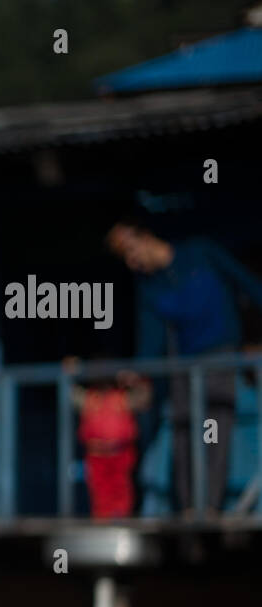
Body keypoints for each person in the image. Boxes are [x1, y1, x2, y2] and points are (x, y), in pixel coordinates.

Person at [106, 218, 262, 516]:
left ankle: (209, 506)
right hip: (182, 365)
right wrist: (138, 372)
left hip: (220, 355)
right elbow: (150, 341)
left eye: (131, 250)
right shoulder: (150, 287)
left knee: (212, 428)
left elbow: (246, 283)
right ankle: (190, 507)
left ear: (146, 236)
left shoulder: (201, 252)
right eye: (124, 257)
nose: (131, 261)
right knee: (183, 431)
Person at [64, 358, 152, 519]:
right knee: (100, 496)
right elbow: (70, 394)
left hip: (121, 455)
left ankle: (122, 520)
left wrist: (135, 379)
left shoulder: (122, 397)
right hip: (96, 457)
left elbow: (144, 398)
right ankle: (102, 523)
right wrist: (70, 374)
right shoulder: (89, 398)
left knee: (122, 494)